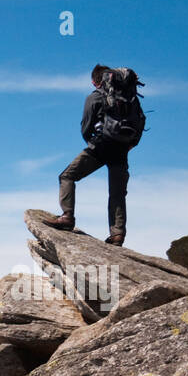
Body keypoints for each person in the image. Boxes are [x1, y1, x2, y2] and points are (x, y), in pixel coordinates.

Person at [46, 64, 144, 246]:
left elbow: (86, 125)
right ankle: (117, 234)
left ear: (94, 81)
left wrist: (91, 141)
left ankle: (67, 216)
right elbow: (141, 119)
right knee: (117, 193)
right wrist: (130, 144)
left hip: (100, 146)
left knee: (67, 176)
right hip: (122, 149)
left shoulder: (95, 97)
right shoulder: (129, 97)